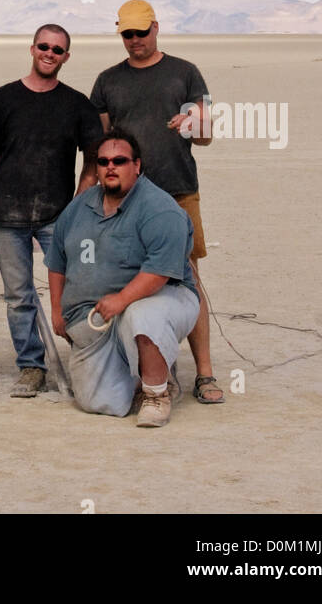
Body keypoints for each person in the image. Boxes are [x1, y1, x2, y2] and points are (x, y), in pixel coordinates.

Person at [88, 0, 223, 404]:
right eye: (126, 34)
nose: (134, 41)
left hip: (178, 193)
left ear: (156, 28)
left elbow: (205, 134)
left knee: (187, 279)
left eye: (140, 33)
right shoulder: (108, 81)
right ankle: (142, 372)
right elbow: (101, 145)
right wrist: (89, 190)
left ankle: (204, 374)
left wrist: (193, 123)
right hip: (124, 201)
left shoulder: (184, 73)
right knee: (127, 280)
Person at [0, 23, 103, 397]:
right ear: (32, 49)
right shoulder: (3, 99)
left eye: (57, 49)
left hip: (58, 219)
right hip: (7, 218)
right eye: (44, 46)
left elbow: (93, 159)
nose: (50, 53)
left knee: (78, 288)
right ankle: (31, 367)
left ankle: (88, 360)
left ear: (66, 56)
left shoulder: (77, 104)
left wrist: (80, 203)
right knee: (19, 296)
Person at [47, 130, 200, 427]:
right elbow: (57, 261)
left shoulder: (160, 209)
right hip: (96, 319)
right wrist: (57, 310)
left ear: (137, 165)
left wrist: (121, 300)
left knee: (140, 314)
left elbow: (158, 273)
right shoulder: (79, 207)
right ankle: (148, 367)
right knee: (99, 402)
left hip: (163, 300)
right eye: (103, 161)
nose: (110, 167)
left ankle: (157, 392)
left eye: (120, 160)